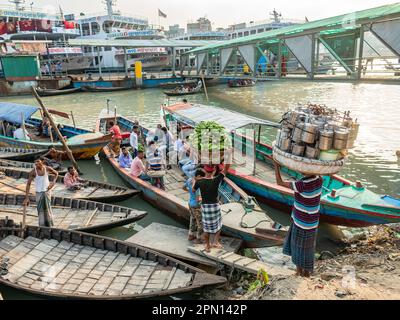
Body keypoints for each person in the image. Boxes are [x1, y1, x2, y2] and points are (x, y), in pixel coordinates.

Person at [274, 162, 323, 278]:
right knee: (307, 250)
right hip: (312, 222)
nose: (301, 170)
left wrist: (276, 165)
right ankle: (305, 273)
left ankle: (300, 273)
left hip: (301, 222)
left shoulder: (302, 184)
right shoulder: (319, 179)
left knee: (298, 249)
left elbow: (279, 183)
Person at [194, 164, 229, 252]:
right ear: (213, 171)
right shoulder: (216, 180)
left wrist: (196, 180)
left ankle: (207, 245)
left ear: (204, 171)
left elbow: (194, 190)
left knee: (206, 227)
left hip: (205, 207)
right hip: (215, 206)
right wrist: (228, 155)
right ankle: (215, 242)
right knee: (219, 224)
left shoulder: (199, 181)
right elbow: (226, 169)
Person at [24, 158, 59, 227]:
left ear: (42, 162)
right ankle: (42, 225)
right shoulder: (33, 172)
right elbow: (28, 184)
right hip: (39, 193)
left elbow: (56, 173)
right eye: (35, 163)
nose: (37, 164)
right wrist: (26, 198)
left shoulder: (47, 168)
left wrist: (53, 182)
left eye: (38, 162)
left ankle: (50, 224)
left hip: (47, 192)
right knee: (40, 210)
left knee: (48, 208)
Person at [184, 169, 205, 243]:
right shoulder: (198, 184)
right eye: (202, 177)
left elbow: (183, 187)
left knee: (192, 219)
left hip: (190, 203)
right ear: (199, 176)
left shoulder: (190, 179)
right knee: (200, 222)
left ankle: (191, 235)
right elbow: (198, 199)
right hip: (196, 205)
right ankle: (198, 238)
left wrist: (190, 192)